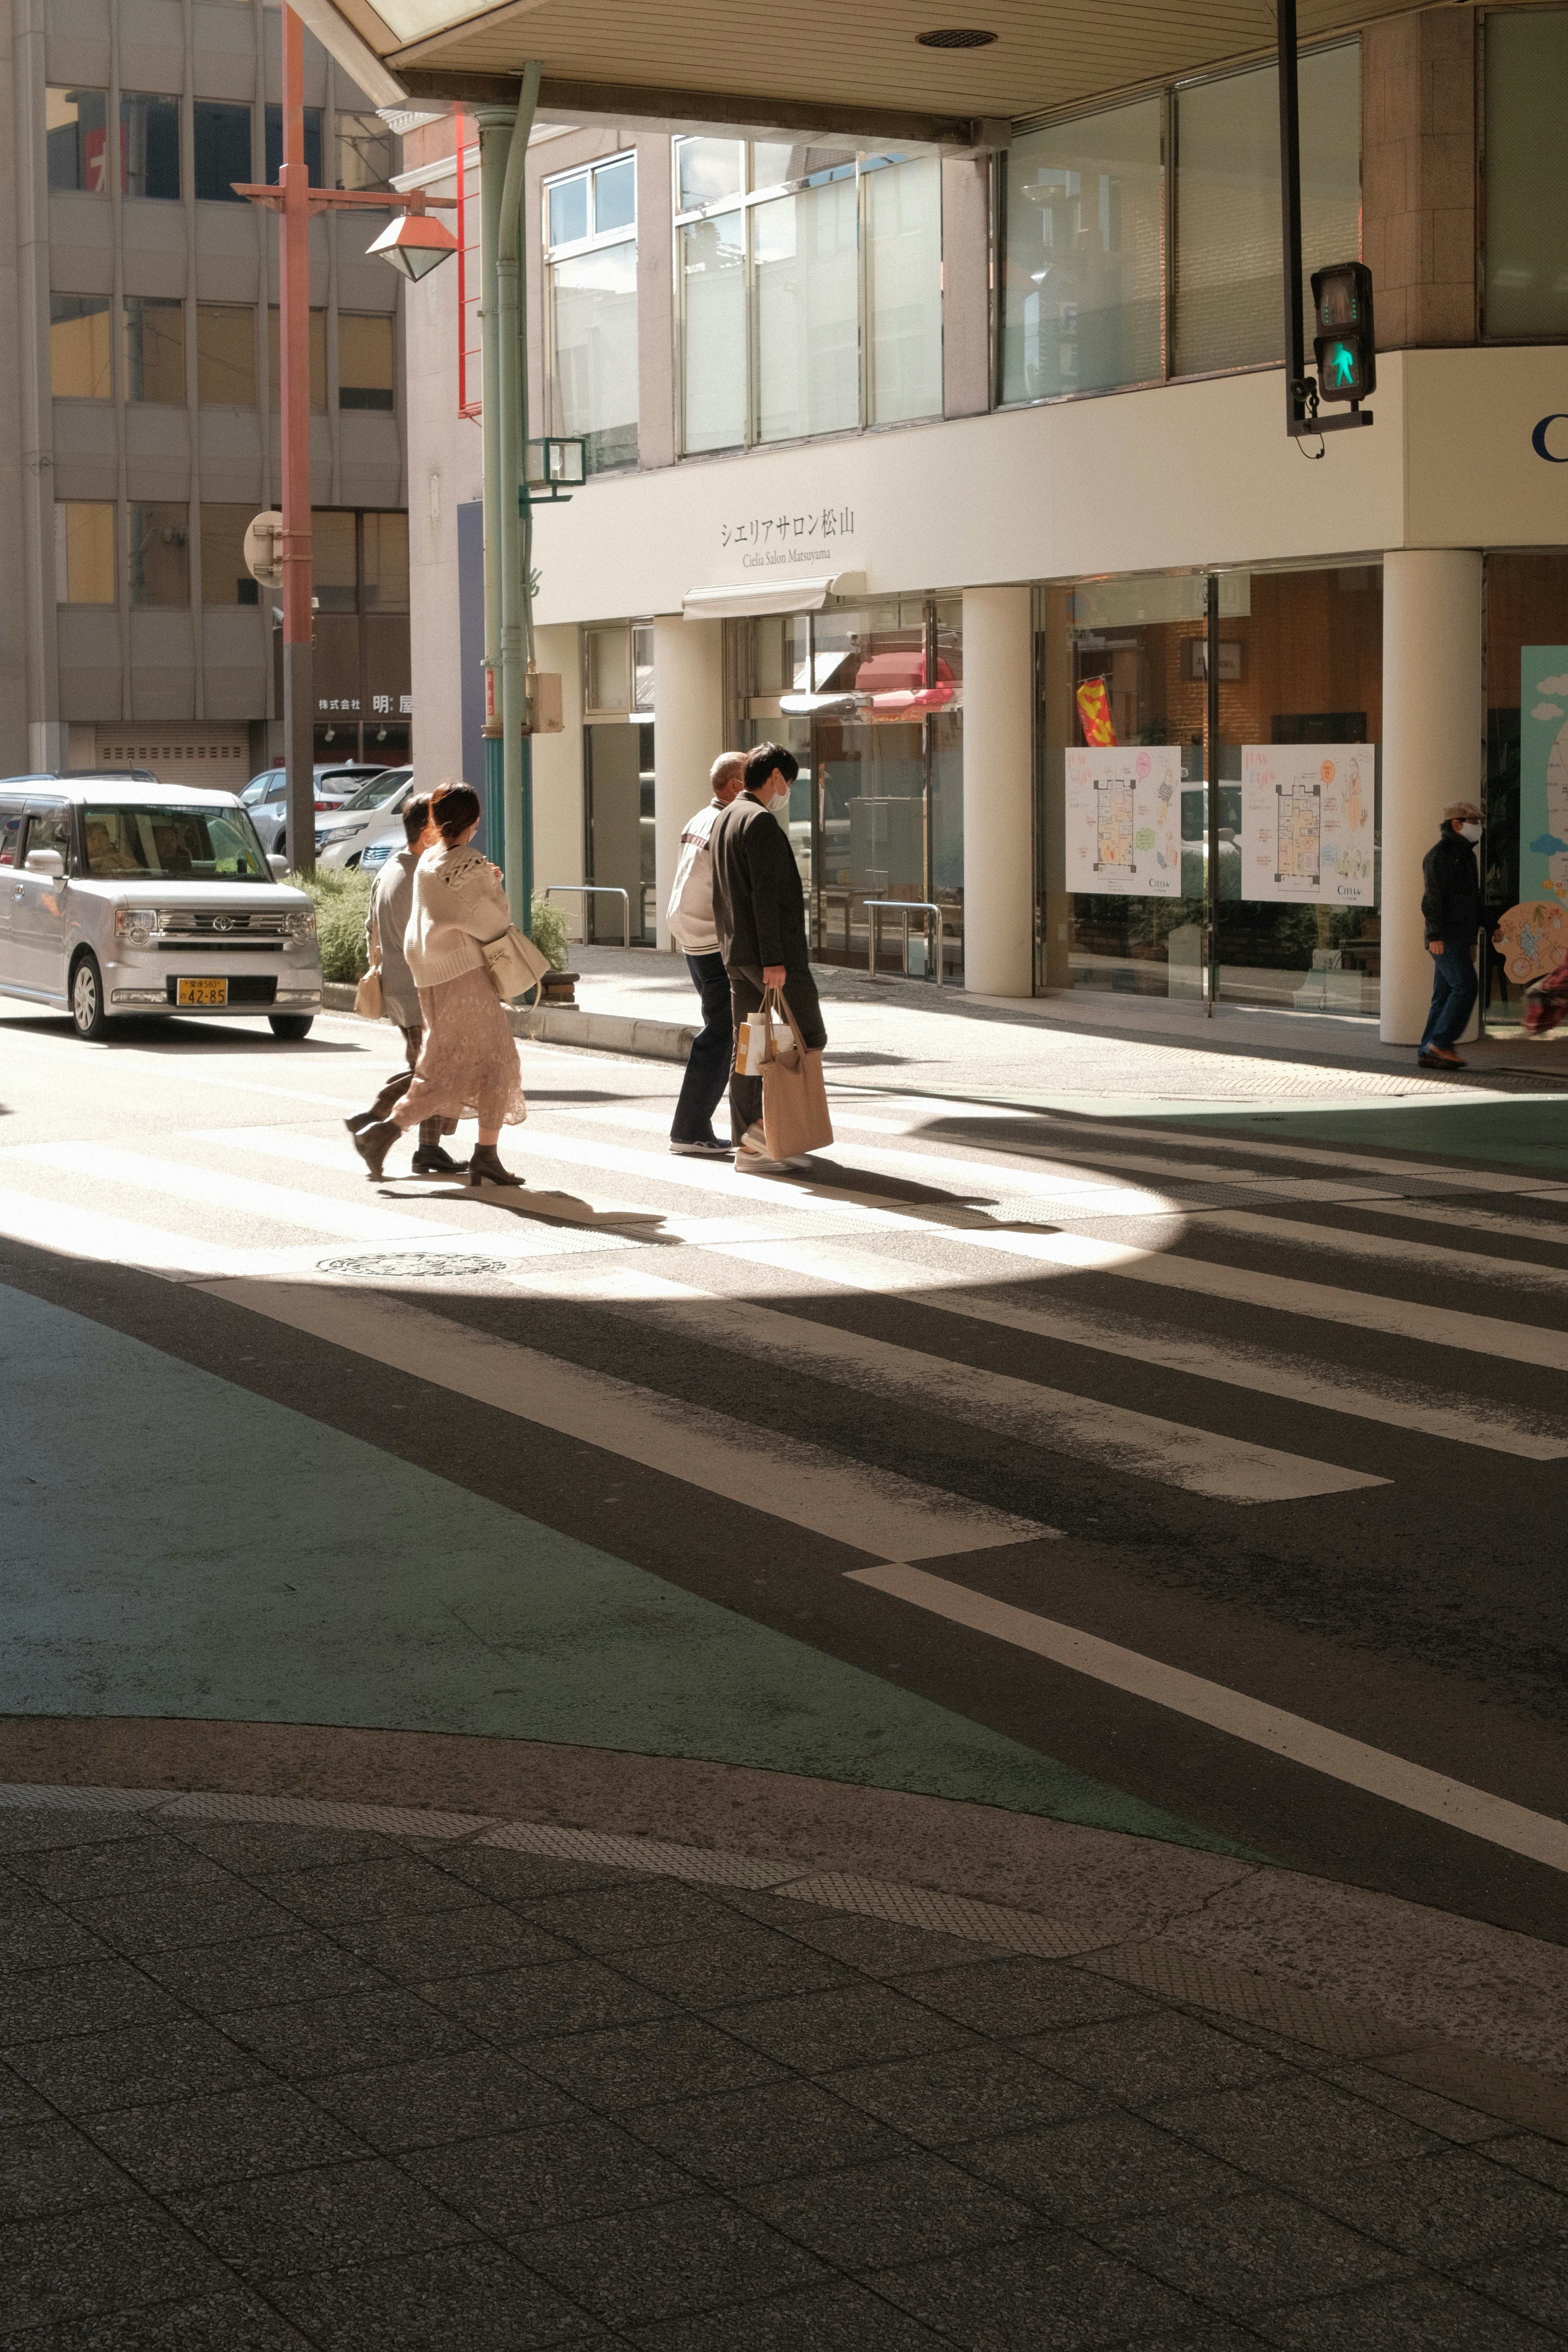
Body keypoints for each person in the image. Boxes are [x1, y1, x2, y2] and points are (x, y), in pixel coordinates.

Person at [349, 780, 528, 1188]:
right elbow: (493, 922)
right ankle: (482, 1154)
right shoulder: (469, 863)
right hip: (463, 977)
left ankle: (386, 1135)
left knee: (445, 1067)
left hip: (429, 977)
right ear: (474, 822)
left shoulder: (428, 862)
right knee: (496, 1063)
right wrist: (494, 885)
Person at [710, 740, 825, 1175]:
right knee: (810, 1036)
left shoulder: (725, 818)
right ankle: (780, 1131)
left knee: (749, 1049)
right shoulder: (759, 821)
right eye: (789, 782)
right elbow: (765, 896)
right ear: (776, 776)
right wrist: (775, 959)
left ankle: (752, 1143)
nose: (787, 791)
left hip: (736, 955)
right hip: (770, 959)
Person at [345, 793, 466, 1177]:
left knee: (427, 1068)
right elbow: (432, 937)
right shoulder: (418, 876)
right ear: (429, 831)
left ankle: (411, 1138)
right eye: (442, 825)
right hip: (420, 989)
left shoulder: (392, 867)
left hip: (398, 986)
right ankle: (385, 1127)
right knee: (434, 1073)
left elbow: (371, 928)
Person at [665, 750, 747, 1157]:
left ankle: (696, 1125)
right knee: (720, 1032)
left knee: (721, 1029)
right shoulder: (726, 822)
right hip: (710, 936)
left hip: (690, 932)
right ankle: (690, 1128)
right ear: (735, 785)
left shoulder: (700, 817)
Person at [1419, 798, 1484, 1070]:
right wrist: (1435, 935)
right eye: (1475, 822)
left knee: (1445, 992)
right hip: (1445, 936)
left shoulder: (1465, 856)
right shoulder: (1441, 855)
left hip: (1458, 935)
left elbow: (1472, 900)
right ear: (1457, 825)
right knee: (1466, 986)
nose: (1480, 827)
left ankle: (1428, 1049)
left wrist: (1485, 928)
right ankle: (1441, 1043)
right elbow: (1432, 899)